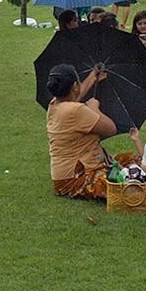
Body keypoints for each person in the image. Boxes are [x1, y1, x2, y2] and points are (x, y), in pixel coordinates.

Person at [45, 64, 116, 200]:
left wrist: (92, 76)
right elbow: (111, 129)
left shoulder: (54, 104)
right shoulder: (76, 110)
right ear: (74, 86)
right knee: (130, 174)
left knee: (123, 164)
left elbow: (74, 97)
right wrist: (95, 109)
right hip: (76, 179)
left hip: (62, 179)